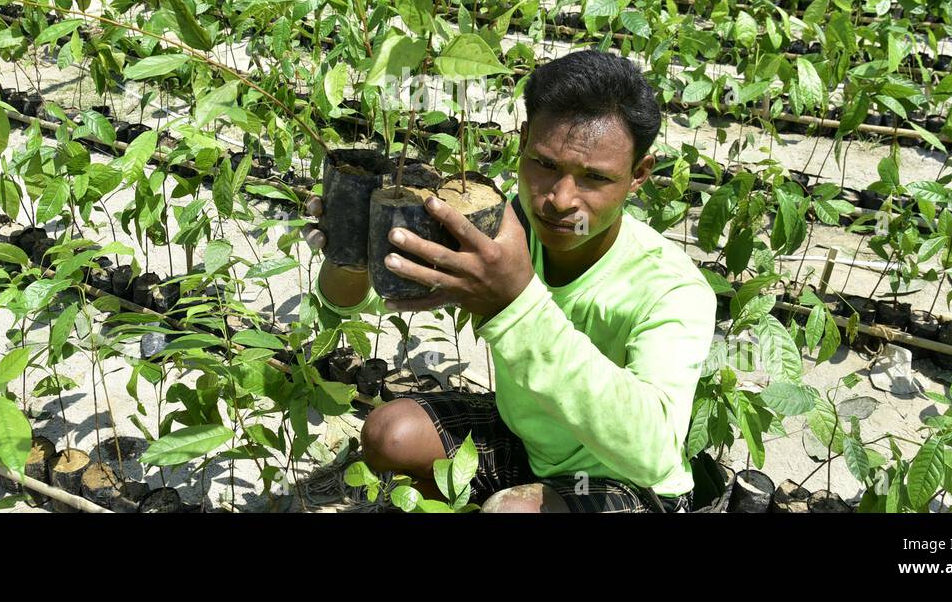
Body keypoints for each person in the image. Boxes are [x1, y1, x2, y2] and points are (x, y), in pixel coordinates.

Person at [304, 50, 717, 513]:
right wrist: (352, 247)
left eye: (594, 178)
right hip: (526, 441)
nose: (560, 200)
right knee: (389, 434)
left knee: (512, 511)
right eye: (544, 165)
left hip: (622, 477)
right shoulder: (501, 232)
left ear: (639, 174)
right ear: (522, 141)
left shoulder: (673, 288)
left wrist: (517, 303)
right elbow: (347, 303)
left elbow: (652, 450)